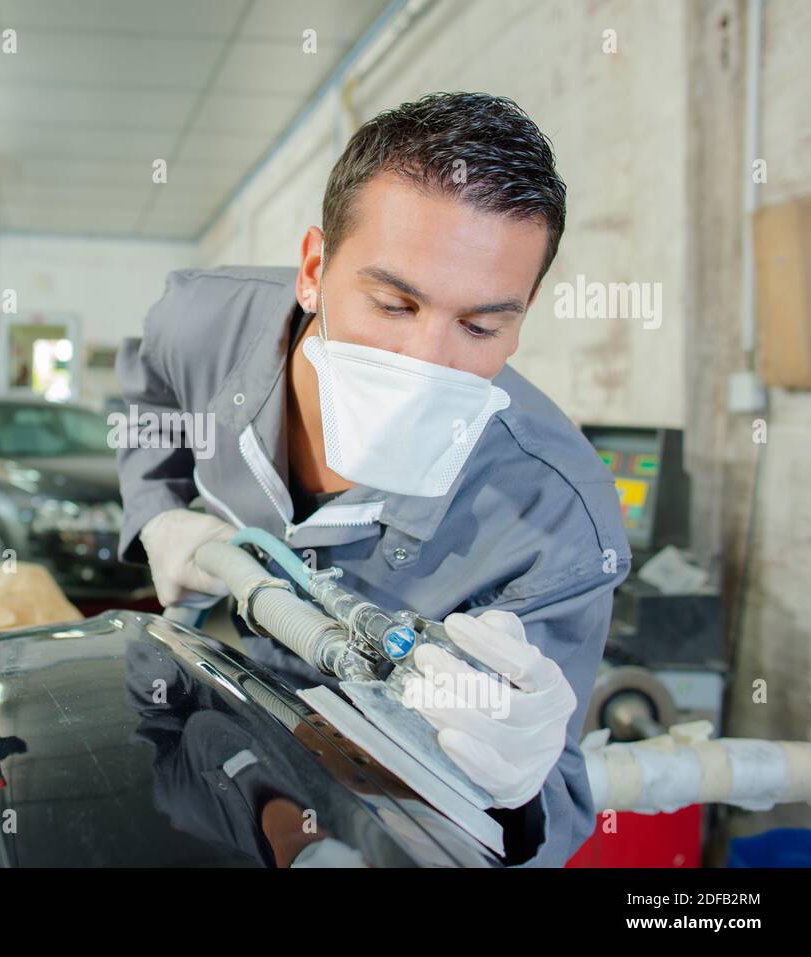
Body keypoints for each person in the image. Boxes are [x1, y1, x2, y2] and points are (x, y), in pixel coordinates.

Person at [114, 93, 630, 867]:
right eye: (394, 303)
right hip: (203, 738)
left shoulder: (555, 521)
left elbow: (551, 809)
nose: (425, 365)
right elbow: (151, 393)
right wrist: (156, 507)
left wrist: (516, 791)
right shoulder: (202, 321)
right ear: (315, 271)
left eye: (481, 326)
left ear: (520, 319)